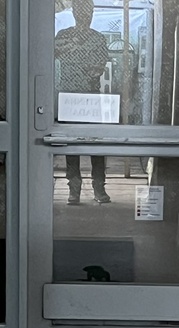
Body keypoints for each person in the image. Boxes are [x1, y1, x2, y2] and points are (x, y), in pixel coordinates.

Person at [55, 0, 111, 204]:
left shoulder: (98, 38)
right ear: (74, 12)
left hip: (91, 98)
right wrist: (75, 46)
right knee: (71, 145)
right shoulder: (63, 35)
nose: (86, 15)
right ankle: (74, 187)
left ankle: (99, 187)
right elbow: (53, 53)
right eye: (81, 10)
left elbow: (98, 67)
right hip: (69, 98)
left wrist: (83, 63)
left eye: (89, 11)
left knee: (97, 143)